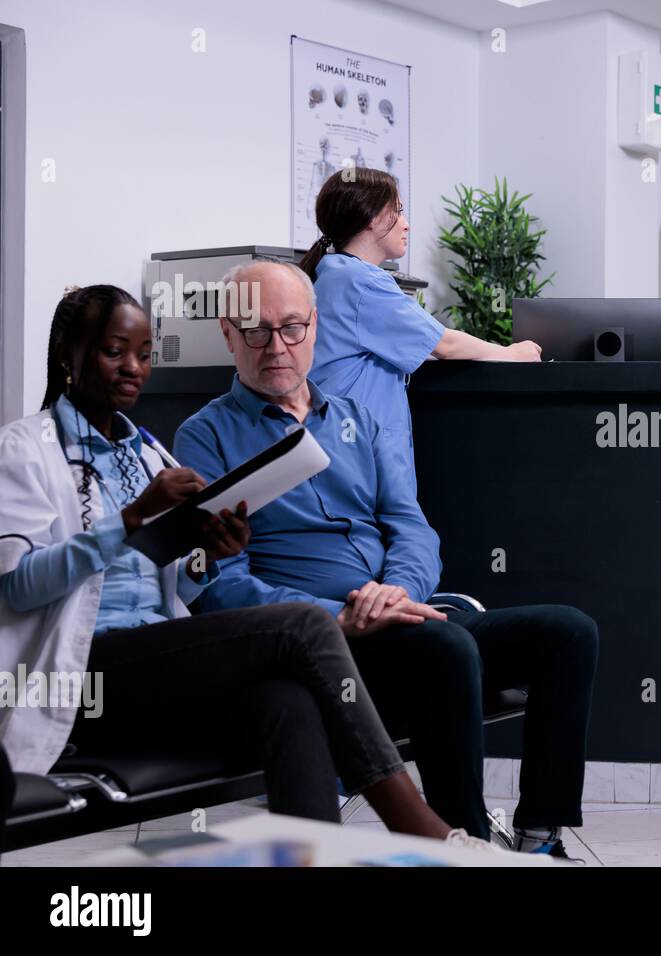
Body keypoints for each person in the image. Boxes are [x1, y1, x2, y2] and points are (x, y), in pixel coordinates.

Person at [0, 285, 462, 840]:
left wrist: (211, 554)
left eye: (145, 355)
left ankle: (316, 863)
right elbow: (18, 587)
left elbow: (177, 584)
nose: (133, 368)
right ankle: (421, 829)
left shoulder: (149, 455)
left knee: (286, 700)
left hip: (158, 659)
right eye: (113, 350)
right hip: (84, 673)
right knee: (304, 624)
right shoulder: (23, 450)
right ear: (67, 355)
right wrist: (128, 520)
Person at [174, 262, 598, 859]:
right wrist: (334, 617)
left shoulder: (358, 419)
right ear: (227, 333)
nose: (277, 346)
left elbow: (412, 528)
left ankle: (539, 838)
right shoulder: (205, 437)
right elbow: (216, 584)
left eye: (292, 327)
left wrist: (395, 591)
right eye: (256, 330)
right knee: (446, 647)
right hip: (314, 641)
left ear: (315, 326)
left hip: (397, 613)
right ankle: (460, 846)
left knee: (568, 633)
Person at [299, 168, 541, 465]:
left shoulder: (335, 273)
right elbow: (445, 345)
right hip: (354, 453)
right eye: (398, 213)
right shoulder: (361, 281)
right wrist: (511, 354)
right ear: (373, 218)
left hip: (340, 444)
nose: (406, 225)